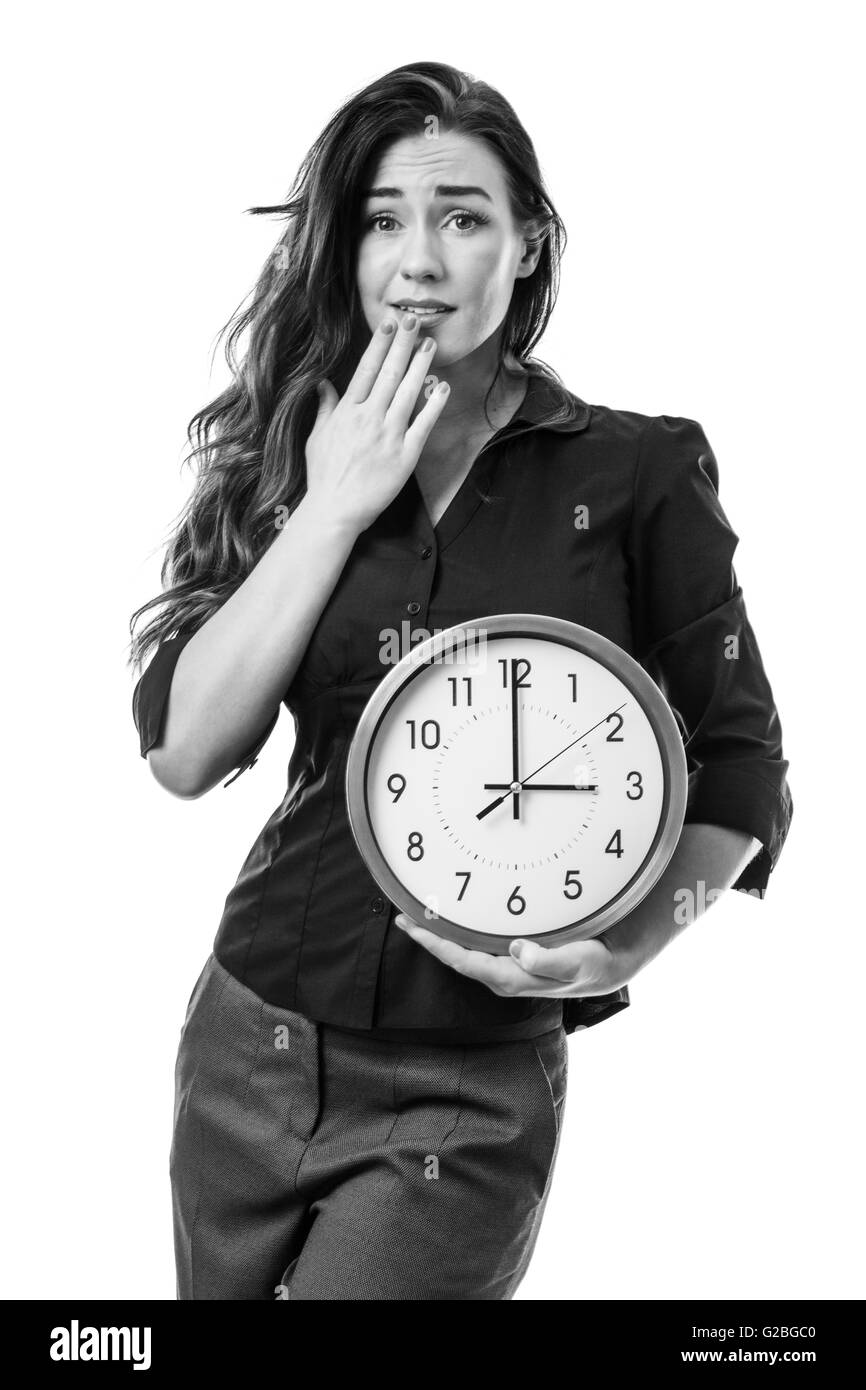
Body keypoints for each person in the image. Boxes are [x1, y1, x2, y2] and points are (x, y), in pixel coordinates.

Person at [128, 61, 793, 1301]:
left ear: (528, 245)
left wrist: (626, 950)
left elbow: (744, 774)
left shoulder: (639, 471)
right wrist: (329, 508)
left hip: (465, 1094)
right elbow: (183, 750)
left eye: (462, 216)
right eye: (383, 220)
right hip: (249, 1039)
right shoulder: (294, 446)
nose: (418, 260)